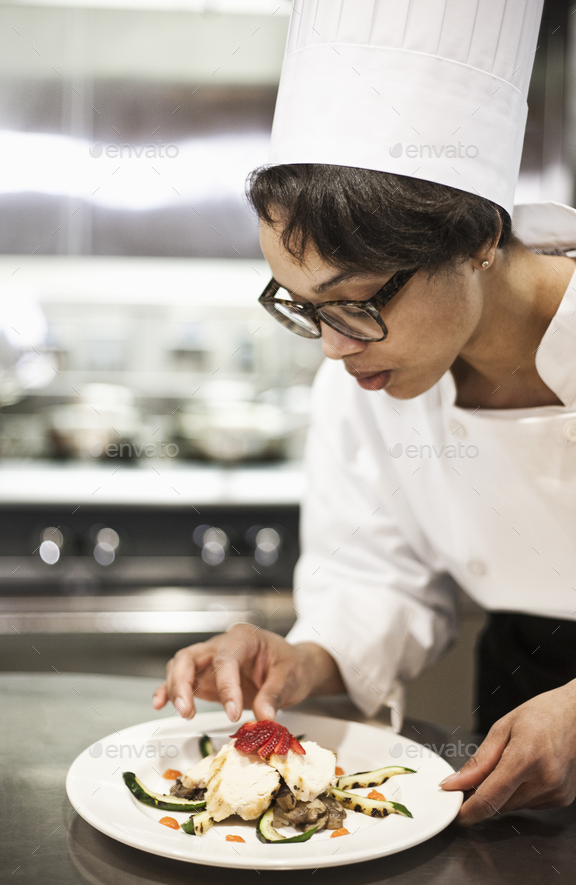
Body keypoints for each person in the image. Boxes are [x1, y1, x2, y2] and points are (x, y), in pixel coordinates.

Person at [155, 0, 576, 825]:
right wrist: (302, 660)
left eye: (353, 302)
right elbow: (378, 579)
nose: (333, 349)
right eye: (302, 306)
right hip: (521, 738)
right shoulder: (374, 378)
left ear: (478, 236)